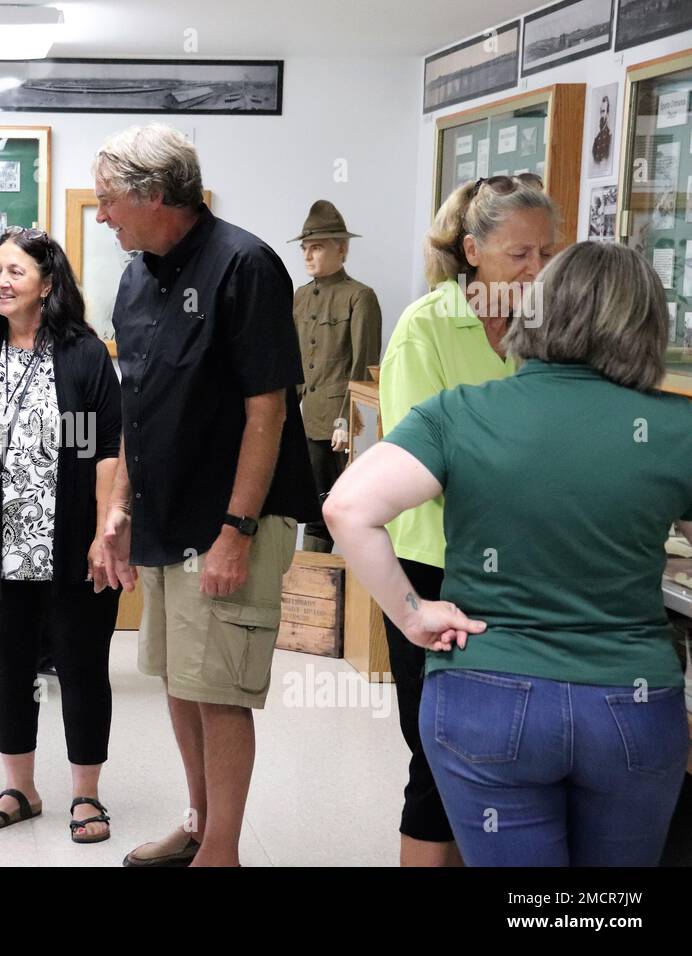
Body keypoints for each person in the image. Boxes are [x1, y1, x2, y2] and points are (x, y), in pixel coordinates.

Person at [326, 240, 692, 866]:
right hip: (630, 709)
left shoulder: (463, 412)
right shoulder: (673, 427)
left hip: (487, 700)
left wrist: (414, 614)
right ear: (646, 326)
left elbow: (346, 508)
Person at [94, 124, 319, 867]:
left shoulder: (245, 265)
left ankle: (222, 851)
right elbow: (137, 405)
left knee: (220, 689)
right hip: (163, 512)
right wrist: (119, 507)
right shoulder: (135, 276)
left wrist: (236, 529)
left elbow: (269, 410)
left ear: (156, 195)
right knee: (181, 681)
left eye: (109, 202)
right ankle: (196, 825)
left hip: (228, 519)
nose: (102, 216)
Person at [377, 173, 557, 867]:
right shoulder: (426, 327)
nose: (537, 269)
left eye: (547, 252)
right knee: (437, 750)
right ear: (473, 250)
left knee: (506, 752)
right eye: (520, 254)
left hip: (526, 570)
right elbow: (420, 460)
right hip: (433, 566)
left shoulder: (548, 330)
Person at [0, 226, 123, 844]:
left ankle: (86, 796)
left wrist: (104, 534)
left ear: (48, 284)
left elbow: (103, 457)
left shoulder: (84, 357)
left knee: (82, 665)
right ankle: (22, 787)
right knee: (7, 665)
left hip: (71, 546)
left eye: (17, 272)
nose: (2, 282)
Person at [289, 200, 381, 552]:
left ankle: (356, 588)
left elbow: (364, 364)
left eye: (317, 247)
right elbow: (293, 361)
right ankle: (317, 588)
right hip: (310, 420)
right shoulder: (300, 297)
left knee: (350, 505)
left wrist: (348, 419)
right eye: (305, 248)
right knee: (315, 506)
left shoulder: (359, 297)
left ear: (341, 249)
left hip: (344, 428)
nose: (308, 256)